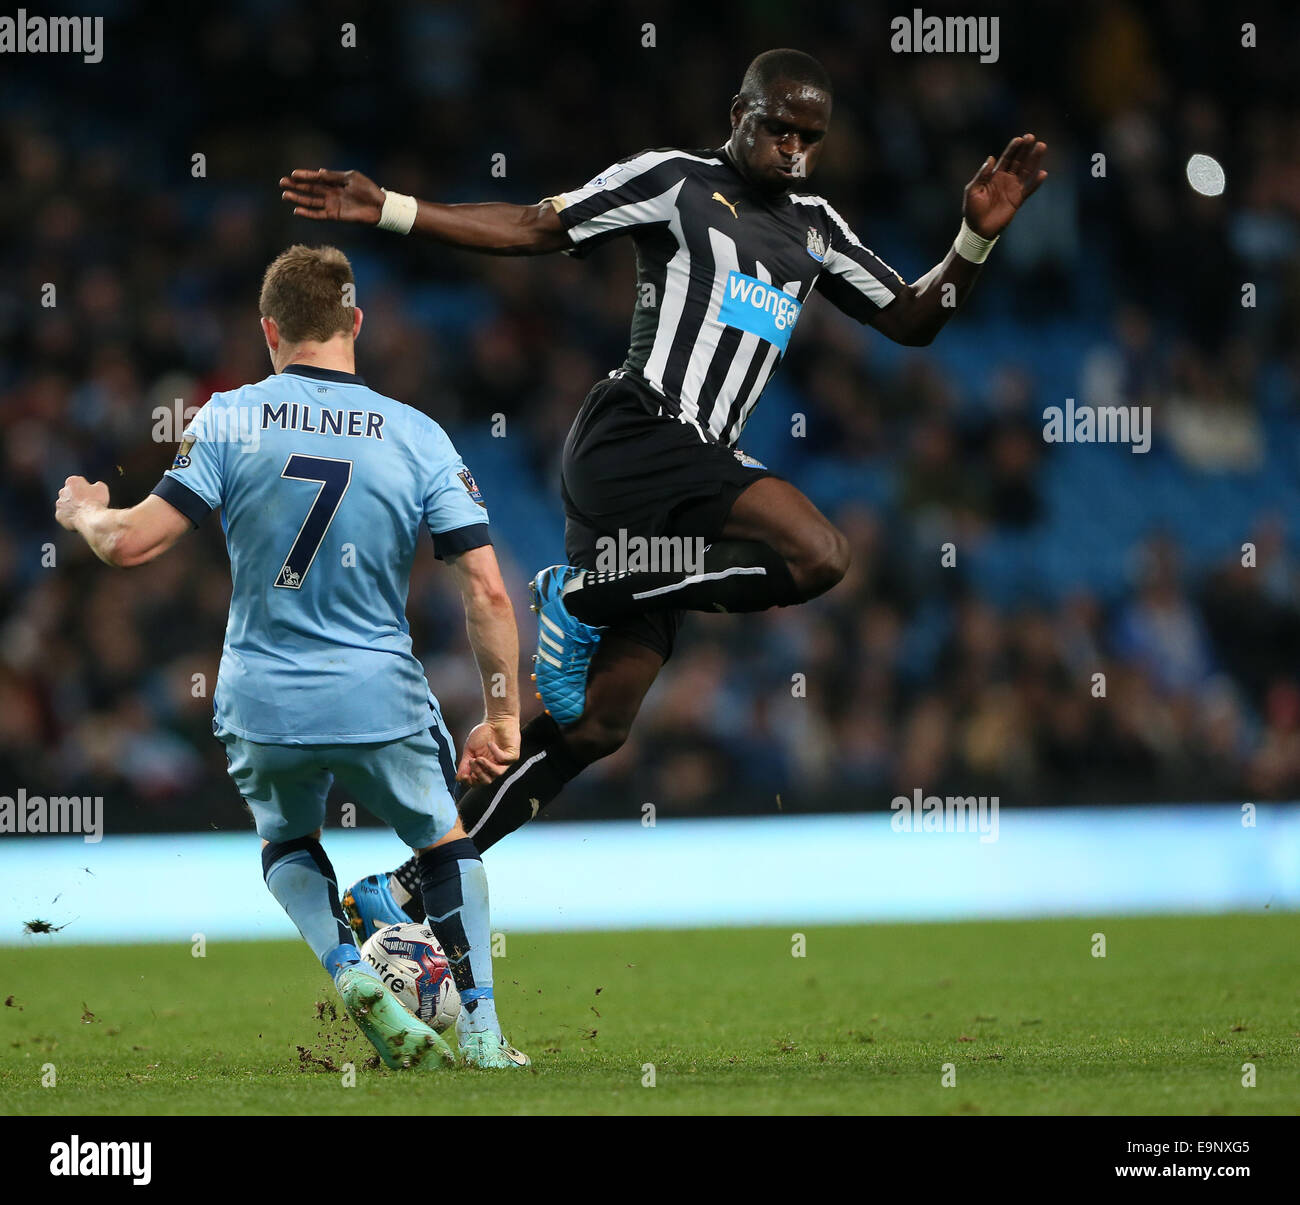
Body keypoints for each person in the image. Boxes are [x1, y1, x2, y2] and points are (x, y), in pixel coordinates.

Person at [278, 48, 1047, 933]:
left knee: (600, 724)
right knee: (820, 553)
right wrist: (393, 208)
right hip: (636, 434)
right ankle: (582, 597)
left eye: (811, 136)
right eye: (778, 127)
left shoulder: (817, 227)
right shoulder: (675, 183)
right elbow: (537, 226)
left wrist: (975, 238)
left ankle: (409, 884)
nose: (794, 148)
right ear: (738, 114)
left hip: (682, 487)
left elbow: (913, 320)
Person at [54, 244, 529, 1069]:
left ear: (269, 329)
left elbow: (130, 544)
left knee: (286, 838)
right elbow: (487, 590)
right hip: (376, 693)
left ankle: (349, 970)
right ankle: (484, 1030)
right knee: (444, 841)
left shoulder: (227, 416)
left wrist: (84, 512)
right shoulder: (416, 434)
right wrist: (502, 713)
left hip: (260, 698)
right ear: (356, 322)